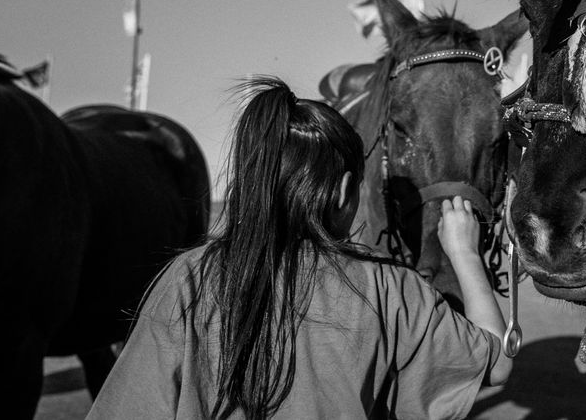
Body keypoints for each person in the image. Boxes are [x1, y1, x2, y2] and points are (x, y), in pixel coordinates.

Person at [88, 77, 511, 419]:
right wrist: (465, 254)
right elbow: (495, 363)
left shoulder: (187, 279)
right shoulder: (388, 290)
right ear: (346, 190)